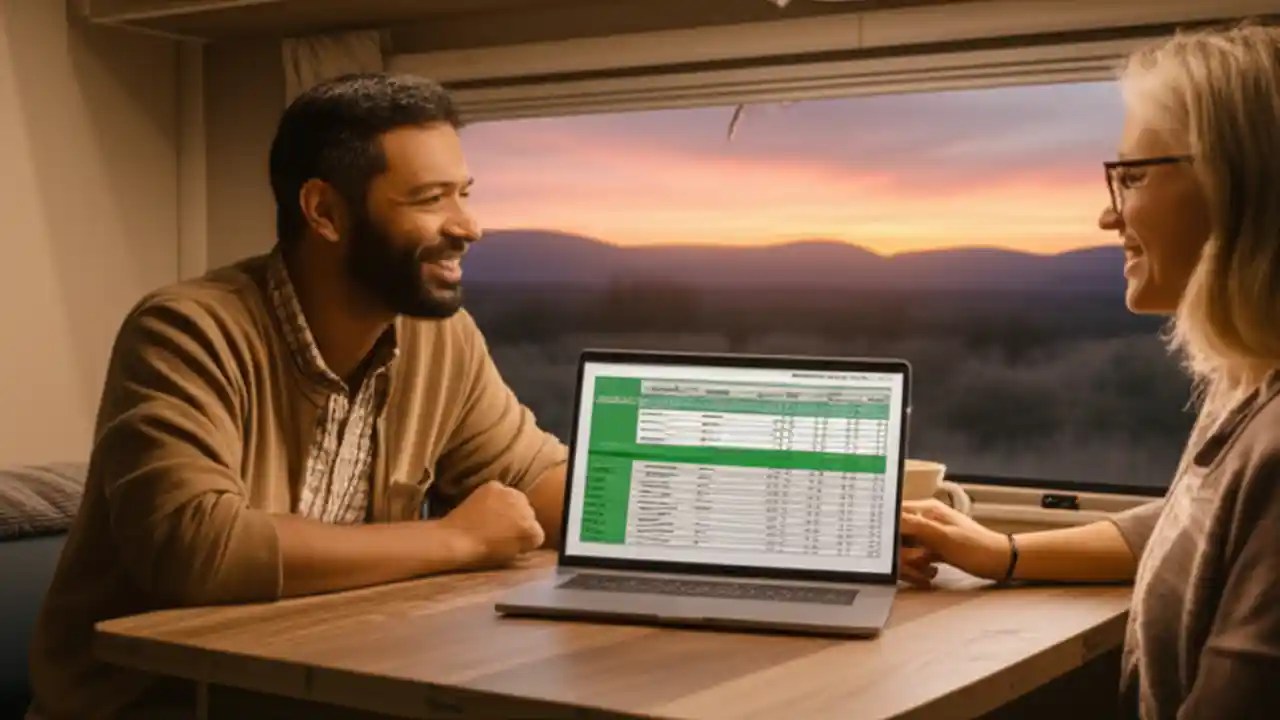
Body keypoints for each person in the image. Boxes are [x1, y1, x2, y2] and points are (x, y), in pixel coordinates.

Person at [27, 74, 568, 719]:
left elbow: (535, 478)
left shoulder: (441, 340)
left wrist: (685, 532)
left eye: (464, 194)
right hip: (155, 705)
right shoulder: (186, 330)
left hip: (318, 693)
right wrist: (457, 541)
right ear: (325, 212)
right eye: (429, 199)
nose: (467, 226)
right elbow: (197, 550)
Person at [898, 23, 1280, 720]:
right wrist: (1002, 552)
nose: (1109, 214)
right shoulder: (1250, 381)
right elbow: (1191, 525)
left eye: (1132, 176)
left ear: (1237, 181)